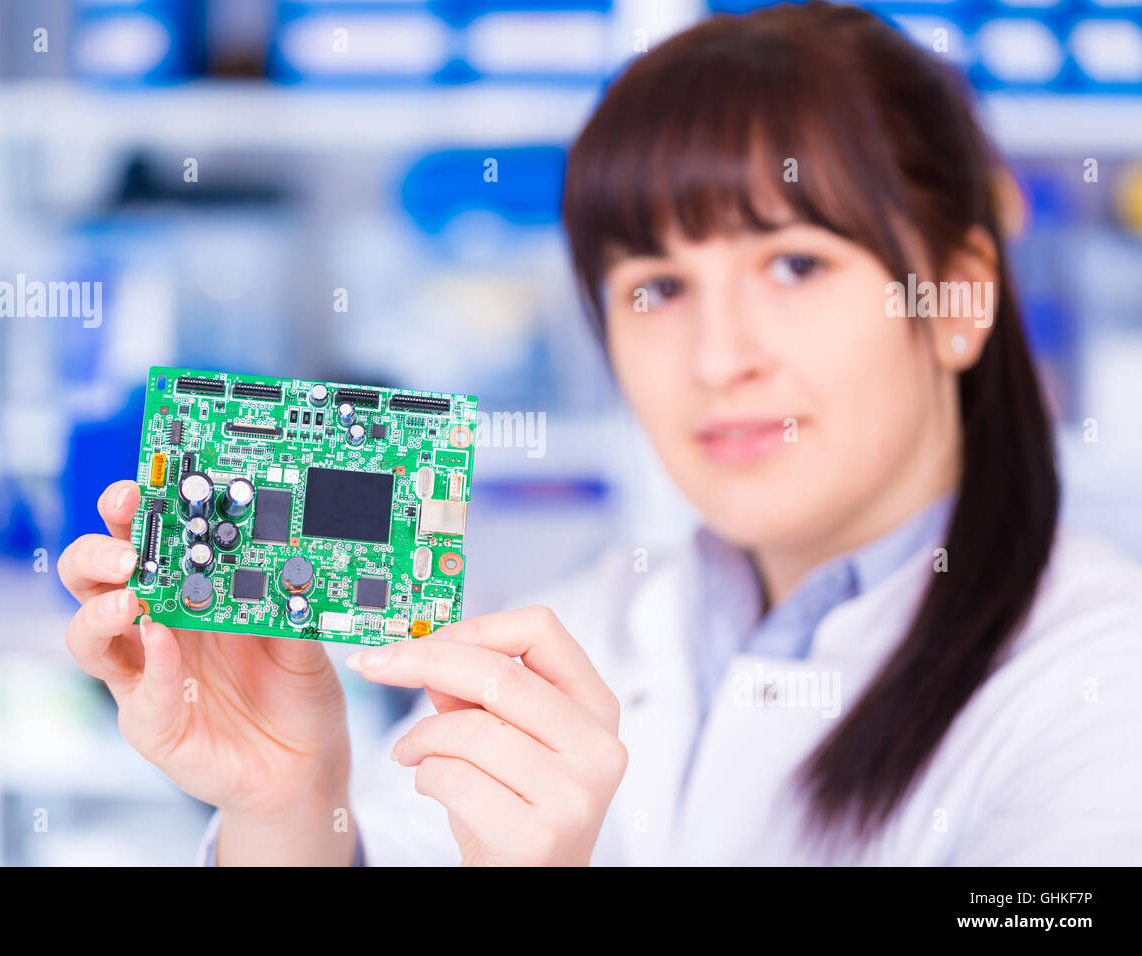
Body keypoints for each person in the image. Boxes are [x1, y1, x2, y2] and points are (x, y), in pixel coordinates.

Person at [57, 2, 1142, 865]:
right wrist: (290, 804)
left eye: (795, 265)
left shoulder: (1101, 688)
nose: (720, 355)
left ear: (956, 301)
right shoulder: (597, 623)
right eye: (657, 286)